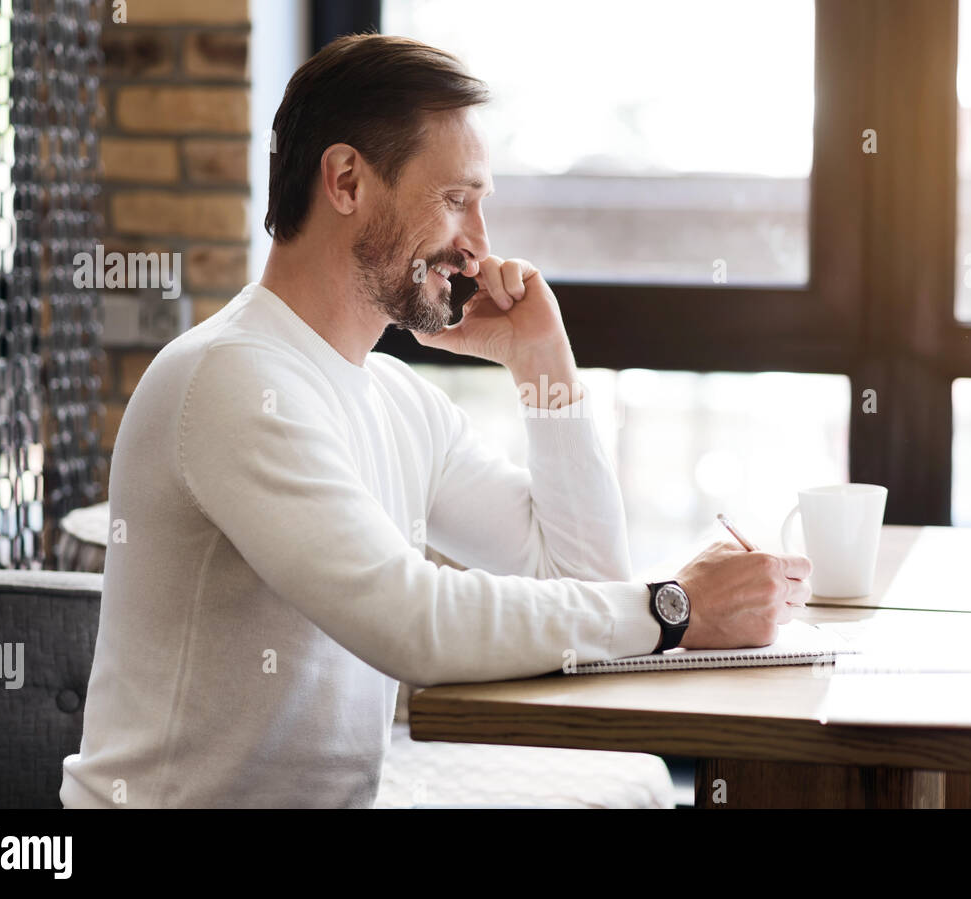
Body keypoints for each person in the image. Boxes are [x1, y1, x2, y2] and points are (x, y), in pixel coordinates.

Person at [60, 33, 811, 809]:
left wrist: (542, 363)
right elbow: (410, 621)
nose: (480, 244)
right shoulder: (232, 378)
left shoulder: (395, 398)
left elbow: (584, 580)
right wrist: (674, 607)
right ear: (346, 179)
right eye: (456, 200)